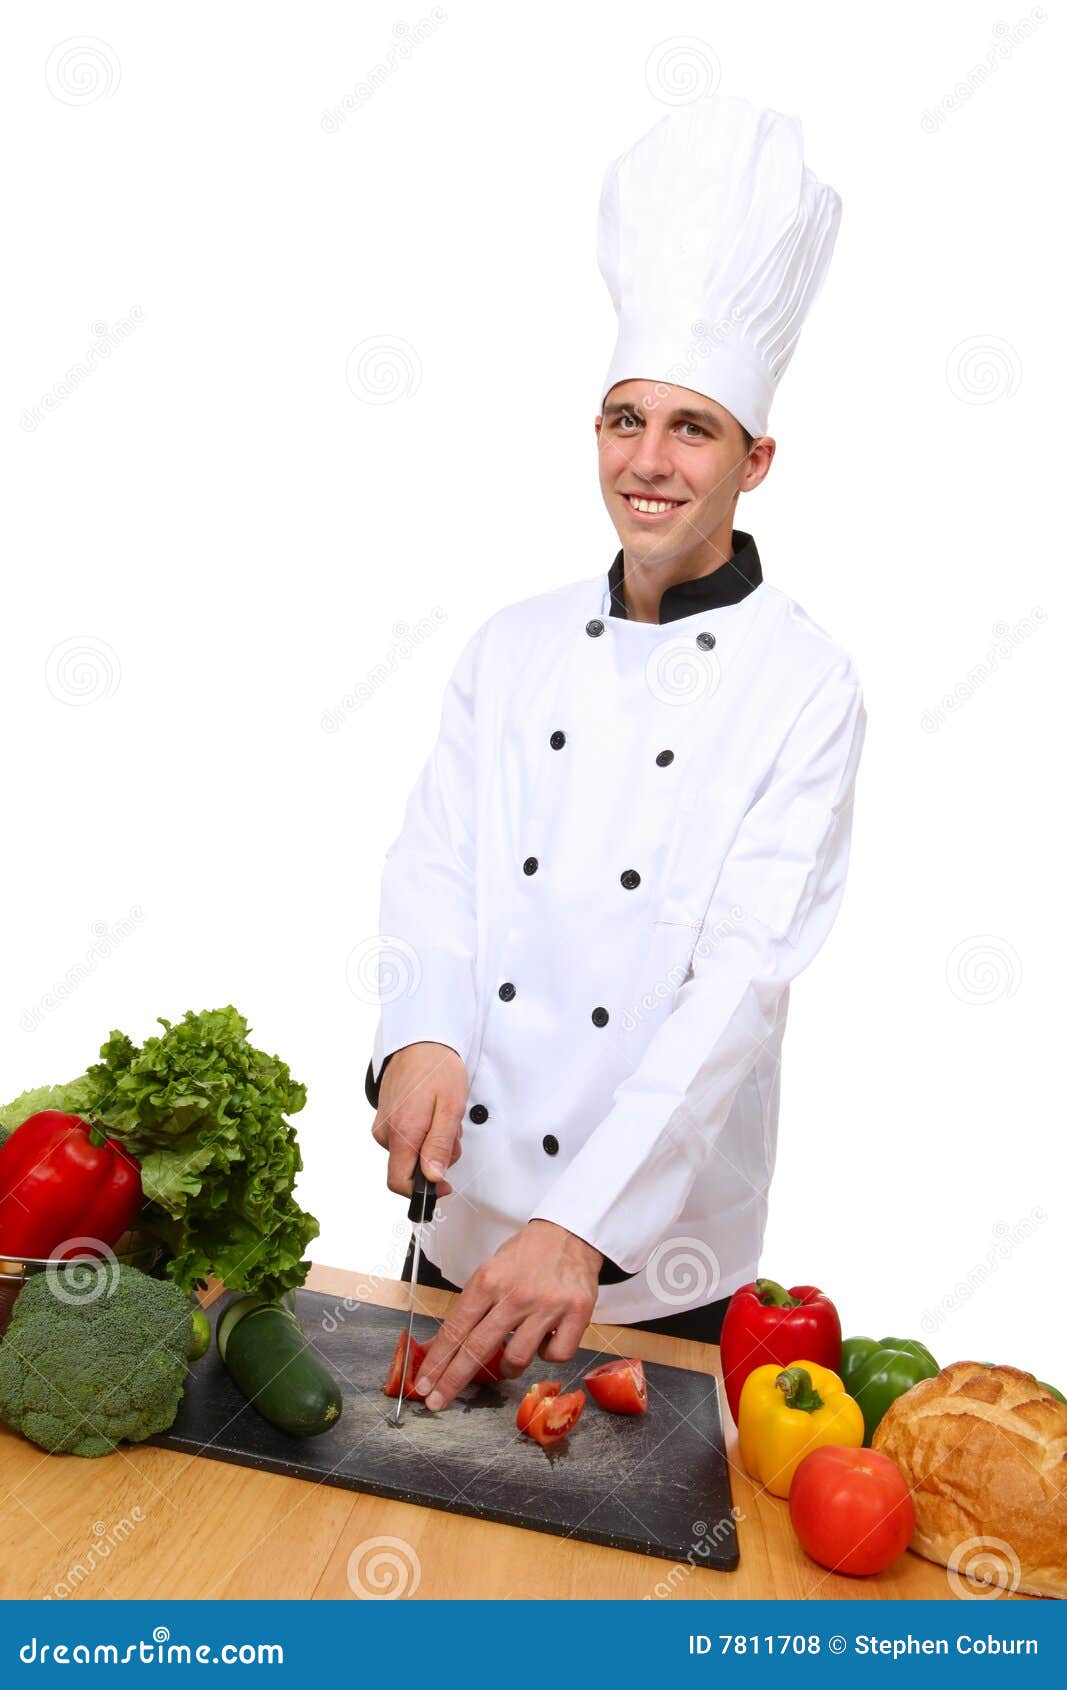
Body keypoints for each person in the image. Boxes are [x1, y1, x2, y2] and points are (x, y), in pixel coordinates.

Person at [365, 93, 865, 1411]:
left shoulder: (806, 684)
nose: (647, 461)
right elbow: (433, 864)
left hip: (656, 1266)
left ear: (757, 457)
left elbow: (740, 988)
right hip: (456, 1225)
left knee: (618, 1582)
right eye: (621, 419)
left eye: (690, 428)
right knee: (402, 1522)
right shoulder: (511, 644)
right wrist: (419, 1032)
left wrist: (580, 1220)